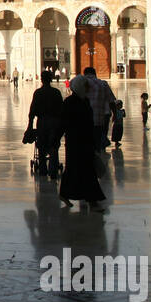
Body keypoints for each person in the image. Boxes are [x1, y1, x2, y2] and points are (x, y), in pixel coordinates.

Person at [59, 76, 105, 211]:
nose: (87, 89)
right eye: (85, 86)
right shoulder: (69, 102)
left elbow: (89, 123)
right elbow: (64, 122)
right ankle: (92, 201)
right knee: (77, 169)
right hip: (75, 141)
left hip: (85, 141)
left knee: (83, 170)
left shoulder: (84, 101)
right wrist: (56, 139)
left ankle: (68, 195)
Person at [28, 70, 63, 176]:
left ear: (42, 80)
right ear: (51, 79)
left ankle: (43, 168)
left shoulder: (38, 93)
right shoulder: (56, 92)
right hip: (54, 122)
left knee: (42, 145)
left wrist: (30, 126)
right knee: (53, 144)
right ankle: (53, 169)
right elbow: (62, 110)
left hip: (42, 122)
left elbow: (32, 110)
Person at [81, 67, 117, 153]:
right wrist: (115, 114)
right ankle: (98, 154)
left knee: (87, 142)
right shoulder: (103, 84)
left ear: (85, 74)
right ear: (95, 74)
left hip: (85, 119)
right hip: (99, 119)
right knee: (98, 140)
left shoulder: (82, 83)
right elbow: (111, 101)